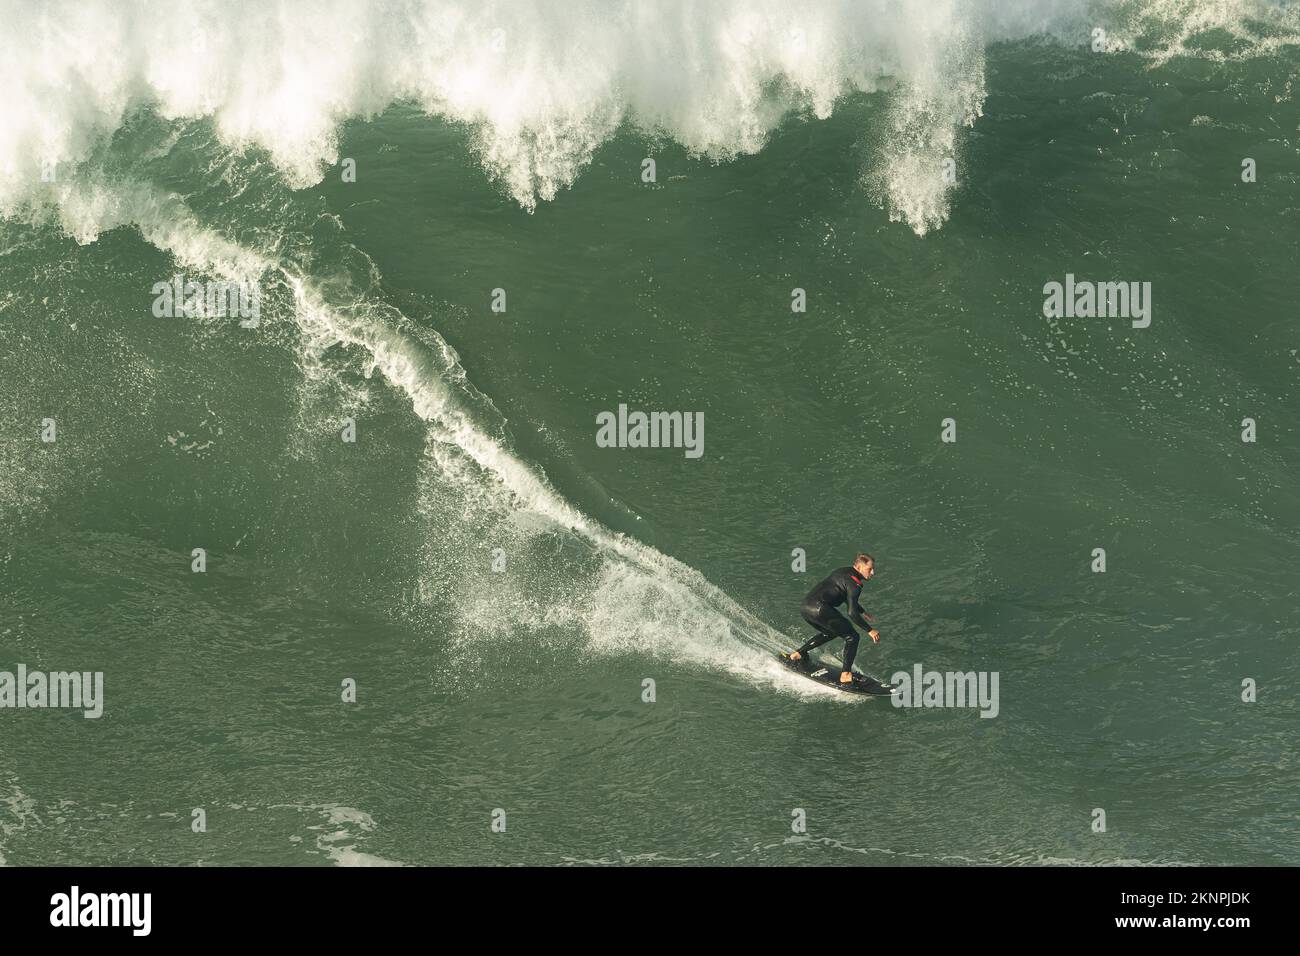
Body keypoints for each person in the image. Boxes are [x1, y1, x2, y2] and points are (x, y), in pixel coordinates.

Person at [788, 553, 880, 685]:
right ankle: (846, 675)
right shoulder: (855, 585)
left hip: (806, 607)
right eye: (869, 569)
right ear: (859, 567)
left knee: (830, 632)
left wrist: (863, 611)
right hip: (820, 608)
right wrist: (870, 630)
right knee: (852, 637)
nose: (873, 572)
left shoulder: (843, 572)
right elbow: (851, 613)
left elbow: (844, 596)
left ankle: (798, 654)